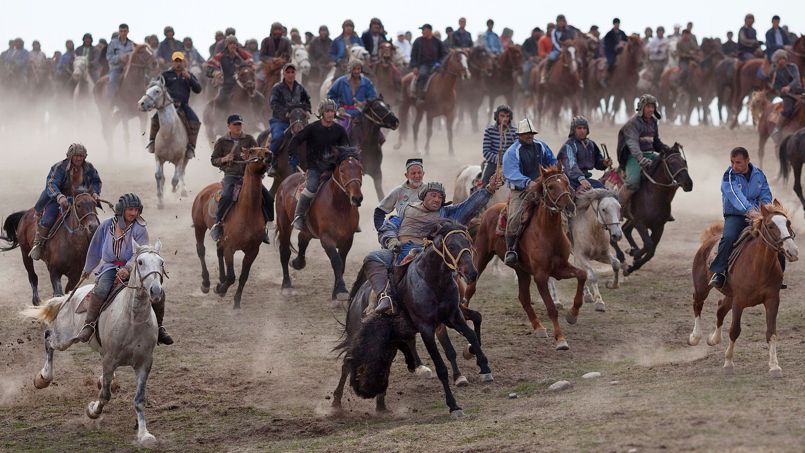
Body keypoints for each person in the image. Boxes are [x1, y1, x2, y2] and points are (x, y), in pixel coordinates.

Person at [369, 177, 502, 314]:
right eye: (433, 195)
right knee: (372, 257)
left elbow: (469, 205)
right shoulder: (406, 209)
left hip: (425, 252)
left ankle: (451, 301)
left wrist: (489, 190)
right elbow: (389, 225)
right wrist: (391, 240)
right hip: (398, 247)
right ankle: (384, 296)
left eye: (440, 197)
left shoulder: (445, 213)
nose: (437, 199)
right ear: (423, 196)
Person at [77, 193, 172, 345]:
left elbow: (141, 252)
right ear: (122, 210)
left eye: (136, 210)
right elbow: (95, 248)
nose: (134, 213)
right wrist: (88, 268)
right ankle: (89, 325)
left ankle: (159, 328)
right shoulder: (106, 226)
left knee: (158, 291)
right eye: (130, 210)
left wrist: (127, 268)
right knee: (101, 289)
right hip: (109, 267)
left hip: (135, 268)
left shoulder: (140, 229)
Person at [709, 147, 773, 289]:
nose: (734, 166)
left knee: (774, 236)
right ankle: (719, 272)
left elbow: (766, 194)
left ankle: (776, 274)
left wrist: (766, 211)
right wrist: (749, 211)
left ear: (747, 161)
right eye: (732, 162)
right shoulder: (729, 175)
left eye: (738, 162)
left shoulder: (759, 174)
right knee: (729, 237)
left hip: (758, 214)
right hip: (736, 215)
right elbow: (734, 195)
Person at [30, 143, 102, 261]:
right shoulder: (59, 167)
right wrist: (59, 196)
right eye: (76, 156)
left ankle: (97, 248)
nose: (79, 158)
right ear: (70, 156)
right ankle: (38, 244)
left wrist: (95, 193)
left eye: (81, 156)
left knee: (95, 223)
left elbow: (96, 182)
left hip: (82, 200)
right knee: (48, 219)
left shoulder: (89, 168)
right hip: (59, 199)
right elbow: (51, 184)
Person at [286, 100, 350, 230]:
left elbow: (346, 149)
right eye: (327, 111)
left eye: (332, 111)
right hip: (315, 168)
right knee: (311, 188)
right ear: (321, 112)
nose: (330, 114)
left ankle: (351, 220)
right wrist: (293, 156)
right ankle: (298, 216)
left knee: (348, 189)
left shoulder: (340, 130)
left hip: (333, 168)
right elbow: (295, 140)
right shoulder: (312, 128)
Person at [209, 114, 273, 243]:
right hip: (231, 176)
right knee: (226, 196)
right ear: (229, 126)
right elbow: (213, 160)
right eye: (235, 124)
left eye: (240, 124)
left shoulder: (249, 139)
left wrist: (250, 156)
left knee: (268, 197)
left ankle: (266, 226)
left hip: (248, 176)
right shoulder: (222, 141)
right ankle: (218, 224)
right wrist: (224, 159)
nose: (238, 127)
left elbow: (258, 154)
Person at [502, 118, 556, 266]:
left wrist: (555, 172)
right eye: (526, 133)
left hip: (541, 188)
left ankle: (565, 241)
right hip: (521, 191)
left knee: (560, 208)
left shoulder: (541, 146)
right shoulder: (512, 152)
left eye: (531, 133)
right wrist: (527, 182)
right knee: (514, 217)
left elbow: (552, 161)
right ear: (519, 134)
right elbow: (511, 172)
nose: (529, 135)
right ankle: (511, 250)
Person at [616, 94, 668, 215]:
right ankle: (618, 208)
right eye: (648, 106)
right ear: (642, 107)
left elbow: (656, 142)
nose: (651, 109)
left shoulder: (653, 122)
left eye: (653, 107)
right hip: (634, 157)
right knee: (633, 182)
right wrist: (641, 159)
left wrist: (669, 151)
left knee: (668, 171)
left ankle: (664, 209)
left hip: (651, 154)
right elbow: (633, 144)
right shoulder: (632, 124)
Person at [146, 52, 202, 159]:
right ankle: (152, 142)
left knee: (195, 121)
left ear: (183, 62)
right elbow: (157, 87)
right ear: (172, 62)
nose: (178, 64)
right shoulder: (165, 75)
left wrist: (190, 78)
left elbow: (198, 89)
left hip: (183, 105)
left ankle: (190, 147)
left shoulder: (188, 75)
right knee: (155, 119)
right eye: (176, 61)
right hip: (167, 105)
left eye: (180, 61)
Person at [268, 62, 312, 157]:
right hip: (280, 121)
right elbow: (273, 104)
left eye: (292, 72)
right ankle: (271, 162)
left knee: (314, 136)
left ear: (295, 73)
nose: (290, 74)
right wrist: (286, 112)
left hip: (299, 120)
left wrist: (307, 111)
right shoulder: (277, 88)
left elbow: (307, 102)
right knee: (278, 137)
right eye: (288, 72)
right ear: (283, 74)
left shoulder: (300, 88)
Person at [557, 116, 610, 192]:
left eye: (584, 128)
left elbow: (597, 162)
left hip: (585, 178)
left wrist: (604, 163)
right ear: (573, 130)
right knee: (570, 199)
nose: (582, 131)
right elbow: (571, 166)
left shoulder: (591, 144)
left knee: (604, 191)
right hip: (569, 180)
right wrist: (581, 178)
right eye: (579, 128)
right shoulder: (569, 145)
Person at [374, 158, 426, 230]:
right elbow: (379, 211)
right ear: (406, 175)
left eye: (419, 173)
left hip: (426, 230)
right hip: (402, 231)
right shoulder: (398, 191)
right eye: (413, 173)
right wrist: (381, 229)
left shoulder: (429, 190)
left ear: (423, 173)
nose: (417, 176)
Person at [208, 36, 254, 108]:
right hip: (226, 85)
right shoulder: (220, 56)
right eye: (231, 43)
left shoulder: (242, 55)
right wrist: (215, 72)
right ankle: (217, 118)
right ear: (227, 45)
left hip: (243, 85)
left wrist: (247, 65)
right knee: (219, 101)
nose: (233, 45)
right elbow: (209, 68)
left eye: (235, 44)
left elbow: (251, 63)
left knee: (260, 98)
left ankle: (259, 116)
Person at [409, 24, 448, 103]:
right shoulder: (418, 41)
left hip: (436, 65)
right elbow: (413, 55)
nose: (422, 32)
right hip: (423, 64)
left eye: (424, 30)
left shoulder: (438, 42)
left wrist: (439, 63)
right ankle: (420, 97)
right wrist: (415, 66)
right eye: (422, 30)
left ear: (429, 31)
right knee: (423, 75)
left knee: (446, 76)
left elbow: (444, 54)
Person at [770, 50, 804, 137]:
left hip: (799, 90)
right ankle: (777, 128)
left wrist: (789, 86)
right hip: (788, 95)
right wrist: (780, 89)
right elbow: (775, 87)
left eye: (783, 58)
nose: (782, 60)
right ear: (776, 61)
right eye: (779, 59)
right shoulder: (776, 72)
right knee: (787, 110)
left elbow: (796, 79)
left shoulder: (793, 67)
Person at [481, 105, 518, 184]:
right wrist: (498, 159)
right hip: (493, 164)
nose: (505, 119)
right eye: (502, 116)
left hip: (510, 163)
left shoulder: (515, 132)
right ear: (497, 117)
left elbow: (517, 150)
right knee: (485, 184)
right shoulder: (489, 131)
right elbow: (486, 151)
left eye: (507, 116)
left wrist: (507, 159)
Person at [542, 16, 575, 83]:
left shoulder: (568, 31)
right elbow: (554, 42)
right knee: (551, 58)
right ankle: (545, 75)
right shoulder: (554, 31)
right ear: (557, 22)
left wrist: (570, 45)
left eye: (562, 21)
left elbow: (572, 39)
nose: (561, 23)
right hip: (556, 49)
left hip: (568, 49)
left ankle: (579, 79)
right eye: (559, 21)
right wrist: (560, 49)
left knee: (577, 59)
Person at [106, 23, 134, 100]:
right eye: (121, 31)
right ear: (119, 32)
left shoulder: (132, 44)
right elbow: (109, 57)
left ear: (128, 31)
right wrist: (119, 58)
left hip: (129, 69)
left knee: (145, 78)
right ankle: (111, 102)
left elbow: (135, 57)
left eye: (125, 31)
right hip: (116, 68)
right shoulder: (113, 43)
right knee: (112, 81)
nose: (123, 33)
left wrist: (129, 57)